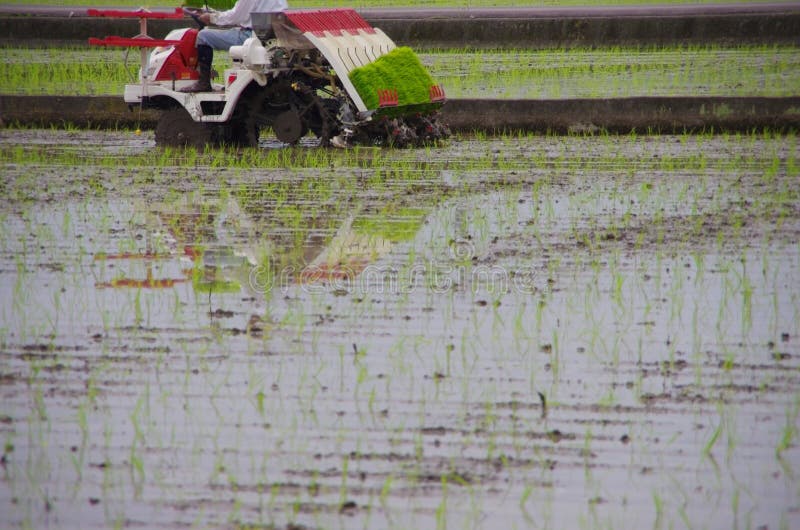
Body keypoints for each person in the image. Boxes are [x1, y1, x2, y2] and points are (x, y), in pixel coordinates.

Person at [181, 0, 288, 93]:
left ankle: (203, 83)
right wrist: (216, 15)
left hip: (251, 37)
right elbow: (242, 15)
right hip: (268, 35)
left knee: (203, 36)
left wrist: (212, 18)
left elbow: (236, 16)